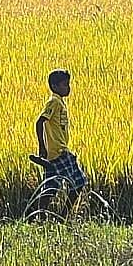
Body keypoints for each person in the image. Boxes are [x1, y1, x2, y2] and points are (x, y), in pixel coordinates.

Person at [32, 69, 88, 212]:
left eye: (68, 84)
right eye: (64, 85)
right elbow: (40, 122)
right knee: (79, 182)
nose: (68, 87)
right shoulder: (54, 102)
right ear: (55, 86)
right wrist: (42, 147)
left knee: (50, 189)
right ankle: (63, 215)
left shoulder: (59, 102)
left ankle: (36, 215)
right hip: (59, 151)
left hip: (57, 152)